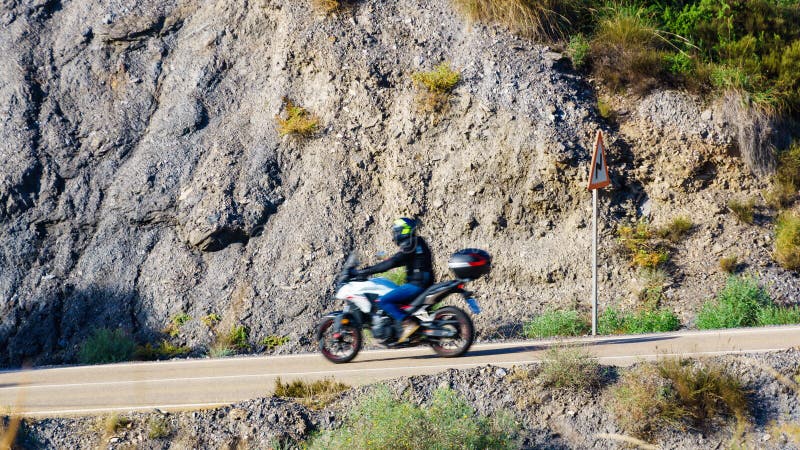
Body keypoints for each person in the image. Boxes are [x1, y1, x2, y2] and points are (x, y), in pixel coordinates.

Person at [351, 218, 434, 343]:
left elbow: (393, 262)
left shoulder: (411, 244)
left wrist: (366, 271)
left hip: (416, 285)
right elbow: (398, 260)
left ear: (403, 231)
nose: (395, 235)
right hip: (424, 283)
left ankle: (408, 322)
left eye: (396, 231)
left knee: (384, 300)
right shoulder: (418, 242)